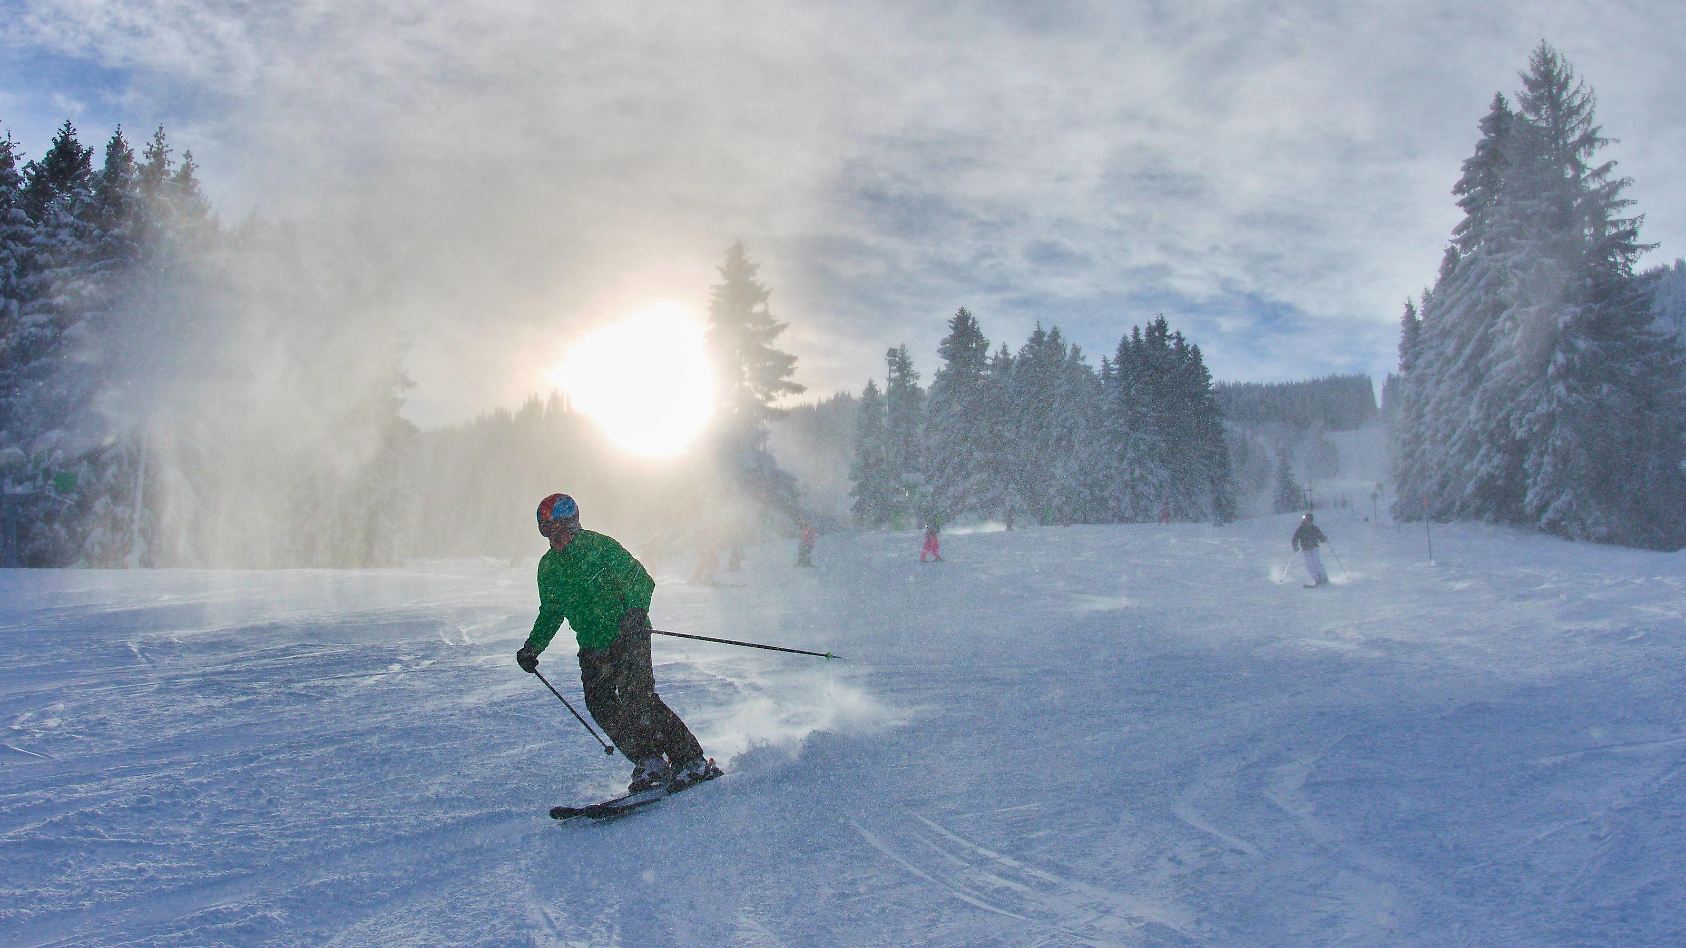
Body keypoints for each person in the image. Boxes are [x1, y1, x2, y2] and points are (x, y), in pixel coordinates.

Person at [516, 493, 719, 793]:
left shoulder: (600, 547)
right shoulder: (548, 567)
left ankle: (690, 761)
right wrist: (533, 647)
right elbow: (551, 611)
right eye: (546, 531)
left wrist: (636, 614)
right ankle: (649, 761)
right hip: (592, 646)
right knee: (600, 704)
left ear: (572, 524)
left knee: (638, 697)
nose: (554, 538)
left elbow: (641, 580)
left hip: (628, 635)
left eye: (558, 529)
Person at [1291, 512, 1330, 587]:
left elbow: (1321, 538)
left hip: (1314, 548)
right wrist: (1295, 546)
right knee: (1309, 564)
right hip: (1305, 549)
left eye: (1310, 521)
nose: (1309, 523)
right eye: (1307, 521)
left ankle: (1324, 578)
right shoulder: (1300, 529)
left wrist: (1324, 538)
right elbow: (1295, 539)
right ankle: (1317, 579)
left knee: (1316, 562)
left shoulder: (1314, 529)